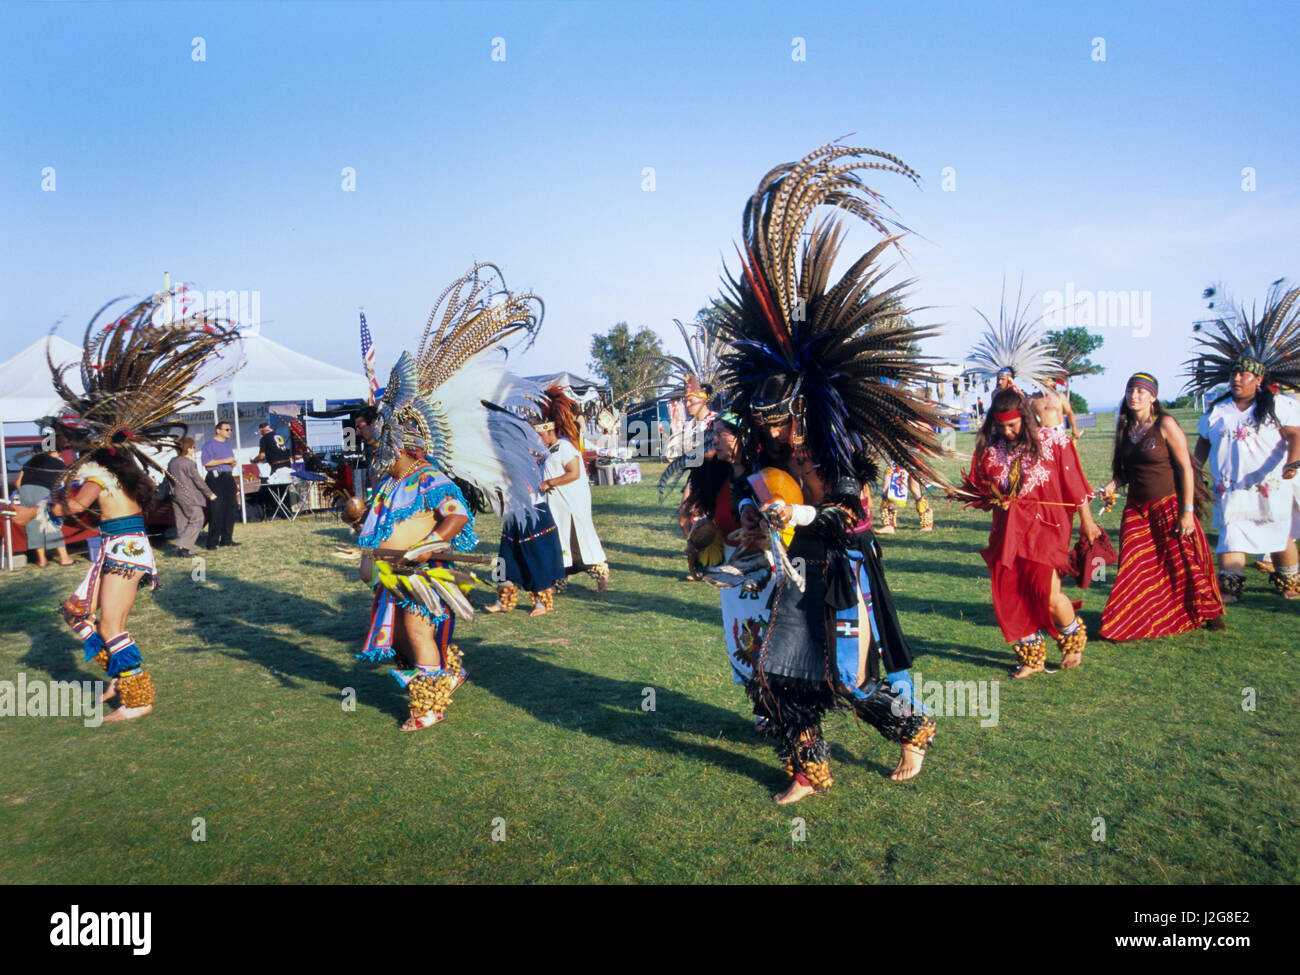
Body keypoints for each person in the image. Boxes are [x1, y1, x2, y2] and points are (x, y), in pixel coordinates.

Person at [710, 143, 943, 803]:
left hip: (843, 565)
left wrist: (803, 514)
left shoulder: (832, 444)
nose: (770, 433)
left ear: (797, 410)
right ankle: (809, 768)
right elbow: (750, 499)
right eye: (763, 424)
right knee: (780, 672)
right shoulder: (763, 450)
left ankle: (912, 726)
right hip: (794, 570)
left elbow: (852, 512)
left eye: (778, 423)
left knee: (848, 675)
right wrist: (751, 514)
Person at [1, 293, 241, 721]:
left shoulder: (98, 467)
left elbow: (77, 506)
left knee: (111, 625)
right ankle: (118, 676)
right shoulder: (113, 463)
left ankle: (139, 697)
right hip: (120, 546)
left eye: (71, 437)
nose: (69, 442)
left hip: (125, 549)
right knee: (77, 611)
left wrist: (44, 508)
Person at [352, 262, 545, 730]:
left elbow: (455, 516)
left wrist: (427, 546)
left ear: (402, 439)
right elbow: (376, 525)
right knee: (400, 638)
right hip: (390, 573)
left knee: (417, 631)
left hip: (423, 570)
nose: (374, 443)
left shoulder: (429, 479)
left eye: (380, 437)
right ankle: (448, 672)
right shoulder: (389, 484)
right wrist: (354, 517)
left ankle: (429, 704)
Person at [966, 387, 1101, 677]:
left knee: (1047, 595)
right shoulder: (990, 450)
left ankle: (1072, 641)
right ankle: (1033, 658)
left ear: (1025, 419)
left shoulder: (1053, 441)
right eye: (1001, 426)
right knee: (1012, 595)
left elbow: (1074, 483)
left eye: (1012, 425)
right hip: (1009, 533)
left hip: (1047, 528)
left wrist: (1087, 522)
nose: (1007, 432)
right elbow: (980, 492)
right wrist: (991, 499)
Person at [1098, 373, 1224, 638]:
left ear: (1153, 397)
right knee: (1134, 565)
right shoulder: (1125, 428)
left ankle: (1207, 610)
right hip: (1136, 509)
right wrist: (1113, 483)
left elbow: (1185, 468)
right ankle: (1132, 619)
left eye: (1141, 392)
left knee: (1181, 561)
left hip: (1167, 504)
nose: (1134, 396)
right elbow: (1127, 471)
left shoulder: (1165, 424)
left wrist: (1187, 512)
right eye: (1131, 390)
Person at [1193, 364, 1300, 601]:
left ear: (1259, 379)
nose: (1236, 379)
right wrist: (1194, 470)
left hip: (1269, 486)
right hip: (1230, 488)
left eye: (1243, 374)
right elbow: (1203, 442)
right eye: (1233, 374)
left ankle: (1289, 583)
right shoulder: (1218, 410)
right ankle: (1230, 588)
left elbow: (1294, 434)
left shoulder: (1277, 405)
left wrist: (1293, 462)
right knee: (1231, 533)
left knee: (1279, 533)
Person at [536, 384, 609, 593]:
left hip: (570, 505)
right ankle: (558, 583)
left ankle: (601, 573)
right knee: (558, 543)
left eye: (540, 434)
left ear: (549, 430)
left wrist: (549, 483)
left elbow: (574, 473)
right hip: (555, 506)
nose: (538, 438)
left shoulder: (565, 447)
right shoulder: (548, 450)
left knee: (579, 543)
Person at [484, 435, 565, 617]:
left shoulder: (527, 464)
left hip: (533, 515)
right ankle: (503, 600)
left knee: (537, 559)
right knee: (506, 558)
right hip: (513, 515)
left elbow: (528, 487)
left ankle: (541, 602)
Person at [16, 439, 74, 567]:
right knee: (50, 522)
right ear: (54, 451)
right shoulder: (57, 463)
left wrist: (28, 493)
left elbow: (18, 484)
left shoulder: (30, 462)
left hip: (25, 491)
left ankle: (42, 561)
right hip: (42, 491)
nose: (59, 455)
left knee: (32, 524)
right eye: (58, 452)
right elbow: (69, 482)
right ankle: (64, 558)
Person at [168, 436, 216, 557]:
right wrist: (209, 493)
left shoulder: (172, 462)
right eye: (193, 447)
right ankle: (182, 543)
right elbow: (198, 481)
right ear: (188, 449)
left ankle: (185, 551)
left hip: (175, 495)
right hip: (189, 496)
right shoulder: (189, 463)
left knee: (182, 523)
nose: (194, 449)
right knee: (197, 520)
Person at [201, 422, 238, 548]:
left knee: (230, 508)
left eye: (230, 429)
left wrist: (232, 463)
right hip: (216, 478)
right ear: (218, 430)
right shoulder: (209, 444)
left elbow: (230, 460)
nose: (229, 431)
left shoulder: (227, 445)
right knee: (217, 509)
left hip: (228, 476)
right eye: (227, 429)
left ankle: (227, 539)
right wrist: (225, 461)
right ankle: (212, 541)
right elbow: (206, 462)